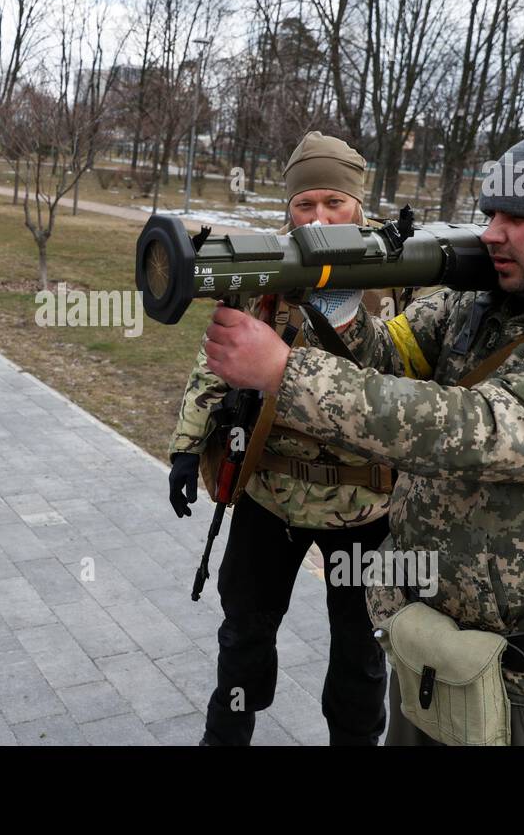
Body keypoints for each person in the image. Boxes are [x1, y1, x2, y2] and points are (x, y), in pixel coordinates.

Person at [199, 125, 524, 746]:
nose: (491, 233)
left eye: (519, 218)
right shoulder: (482, 307)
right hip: (432, 653)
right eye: (491, 213)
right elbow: (390, 355)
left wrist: (284, 371)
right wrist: (341, 304)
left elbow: (481, 431)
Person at [170, 131, 402, 746]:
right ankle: (226, 736)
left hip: (366, 507)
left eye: (334, 202)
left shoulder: (401, 268)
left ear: (359, 202)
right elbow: (214, 354)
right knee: (243, 635)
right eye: (305, 205)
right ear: (287, 208)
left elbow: (420, 383)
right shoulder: (264, 263)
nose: (319, 218)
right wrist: (186, 445)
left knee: (360, 654)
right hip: (270, 491)